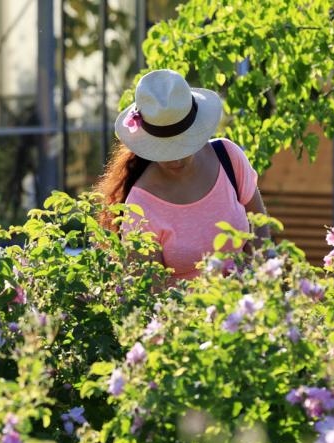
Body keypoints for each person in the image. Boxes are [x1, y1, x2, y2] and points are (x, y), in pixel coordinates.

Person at [95, 69, 270, 286]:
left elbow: (260, 226)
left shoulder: (229, 158)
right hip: (186, 308)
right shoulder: (140, 206)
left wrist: (260, 278)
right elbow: (150, 292)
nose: (176, 160)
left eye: (182, 146)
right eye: (165, 150)